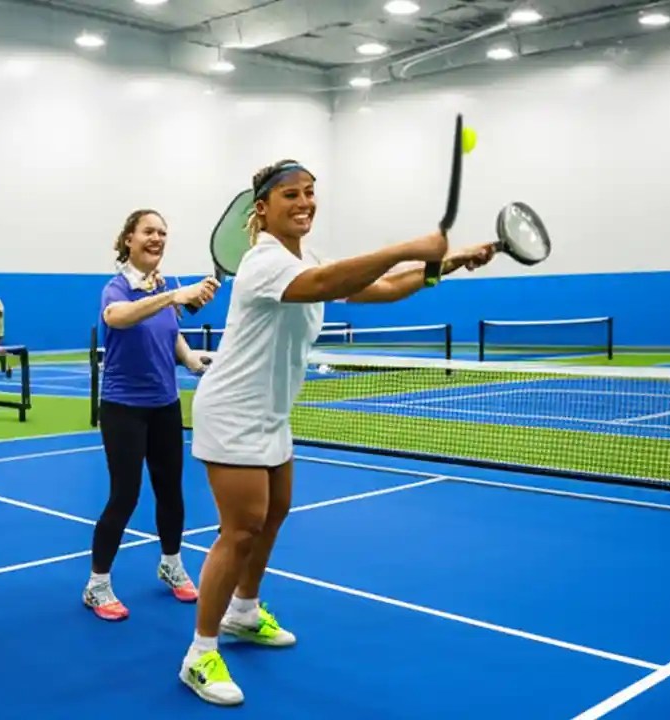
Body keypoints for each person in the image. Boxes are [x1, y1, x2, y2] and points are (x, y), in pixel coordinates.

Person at [178, 160, 495, 705]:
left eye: (309, 194)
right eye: (290, 196)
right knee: (241, 529)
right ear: (263, 210)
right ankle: (199, 653)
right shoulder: (262, 263)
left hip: (271, 412)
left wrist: (448, 264)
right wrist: (408, 245)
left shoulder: (309, 259)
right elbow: (326, 283)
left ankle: (243, 613)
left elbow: (385, 288)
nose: (304, 203)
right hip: (232, 411)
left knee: (275, 514)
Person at [83, 208, 220, 621]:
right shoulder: (117, 288)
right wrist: (172, 296)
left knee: (171, 491)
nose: (157, 238)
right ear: (129, 239)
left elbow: (171, 332)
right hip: (124, 407)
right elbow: (117, 319)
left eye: (162, 232)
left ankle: (171, 563)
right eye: (148, 231)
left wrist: (191, 359)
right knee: (124, 495)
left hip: (165, 404)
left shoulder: (161, 286)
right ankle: (97, 585)